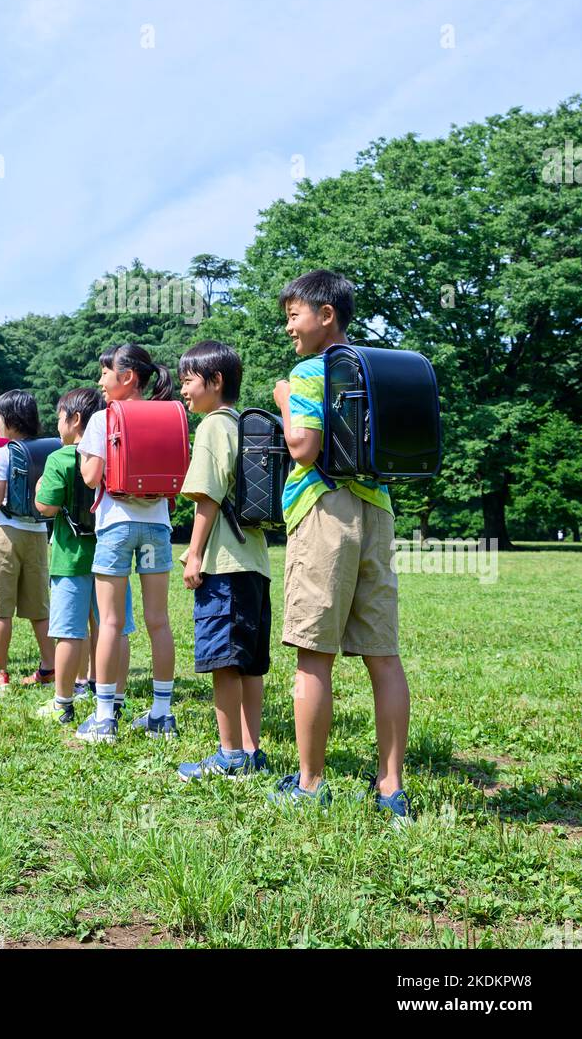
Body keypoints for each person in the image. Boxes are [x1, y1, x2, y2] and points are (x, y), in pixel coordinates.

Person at [269, 269, 414, 822]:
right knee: (384, 656)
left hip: (324, 511)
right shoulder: (377, 371)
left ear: (325, 315)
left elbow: (303, 447)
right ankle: (390, 787)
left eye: (294, 316)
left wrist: (285, 397)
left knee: (313, 654)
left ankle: (310, 783)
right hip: (377, 513)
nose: (290, 328)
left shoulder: (311, 370)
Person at [175, 342, 272, 779]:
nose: (183, 391)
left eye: (189, 381)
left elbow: (208, 497)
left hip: (224, 563)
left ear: (215, 382)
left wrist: (194, 554)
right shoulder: (244, 425)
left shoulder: (214, 426)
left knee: (223, 661)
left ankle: (229, 755)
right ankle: (251, 751)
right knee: (250, 662)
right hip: (255, 563)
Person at [76, 343, 177, 744]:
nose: (101, 381)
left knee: (111, 621)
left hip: (117, 526)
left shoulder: (104, 418)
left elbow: (89, 476)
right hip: (157, 527)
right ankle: (162, 714)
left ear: (128, 376)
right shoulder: (170, 414)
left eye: (106, 373)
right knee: (159, 620)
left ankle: (104, 718)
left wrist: (84, 448)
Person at [34, 388, 134, 725]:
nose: (56, 422)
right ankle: (116, 699)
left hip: (71, 556)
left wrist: (37, 490)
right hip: (113, 555)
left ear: (75, 420)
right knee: (115, 628)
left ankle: (63, 702)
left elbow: (45, 506)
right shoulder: (113, 452)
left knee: (69, 632)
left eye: (60, 416)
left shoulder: (60, 458)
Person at [0, 390, 55, 690]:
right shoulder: (47, 450)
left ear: (9, 419)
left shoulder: (1, 454)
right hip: (37, 533)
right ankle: (49, 669)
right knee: (39, 608)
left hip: (4, 533)